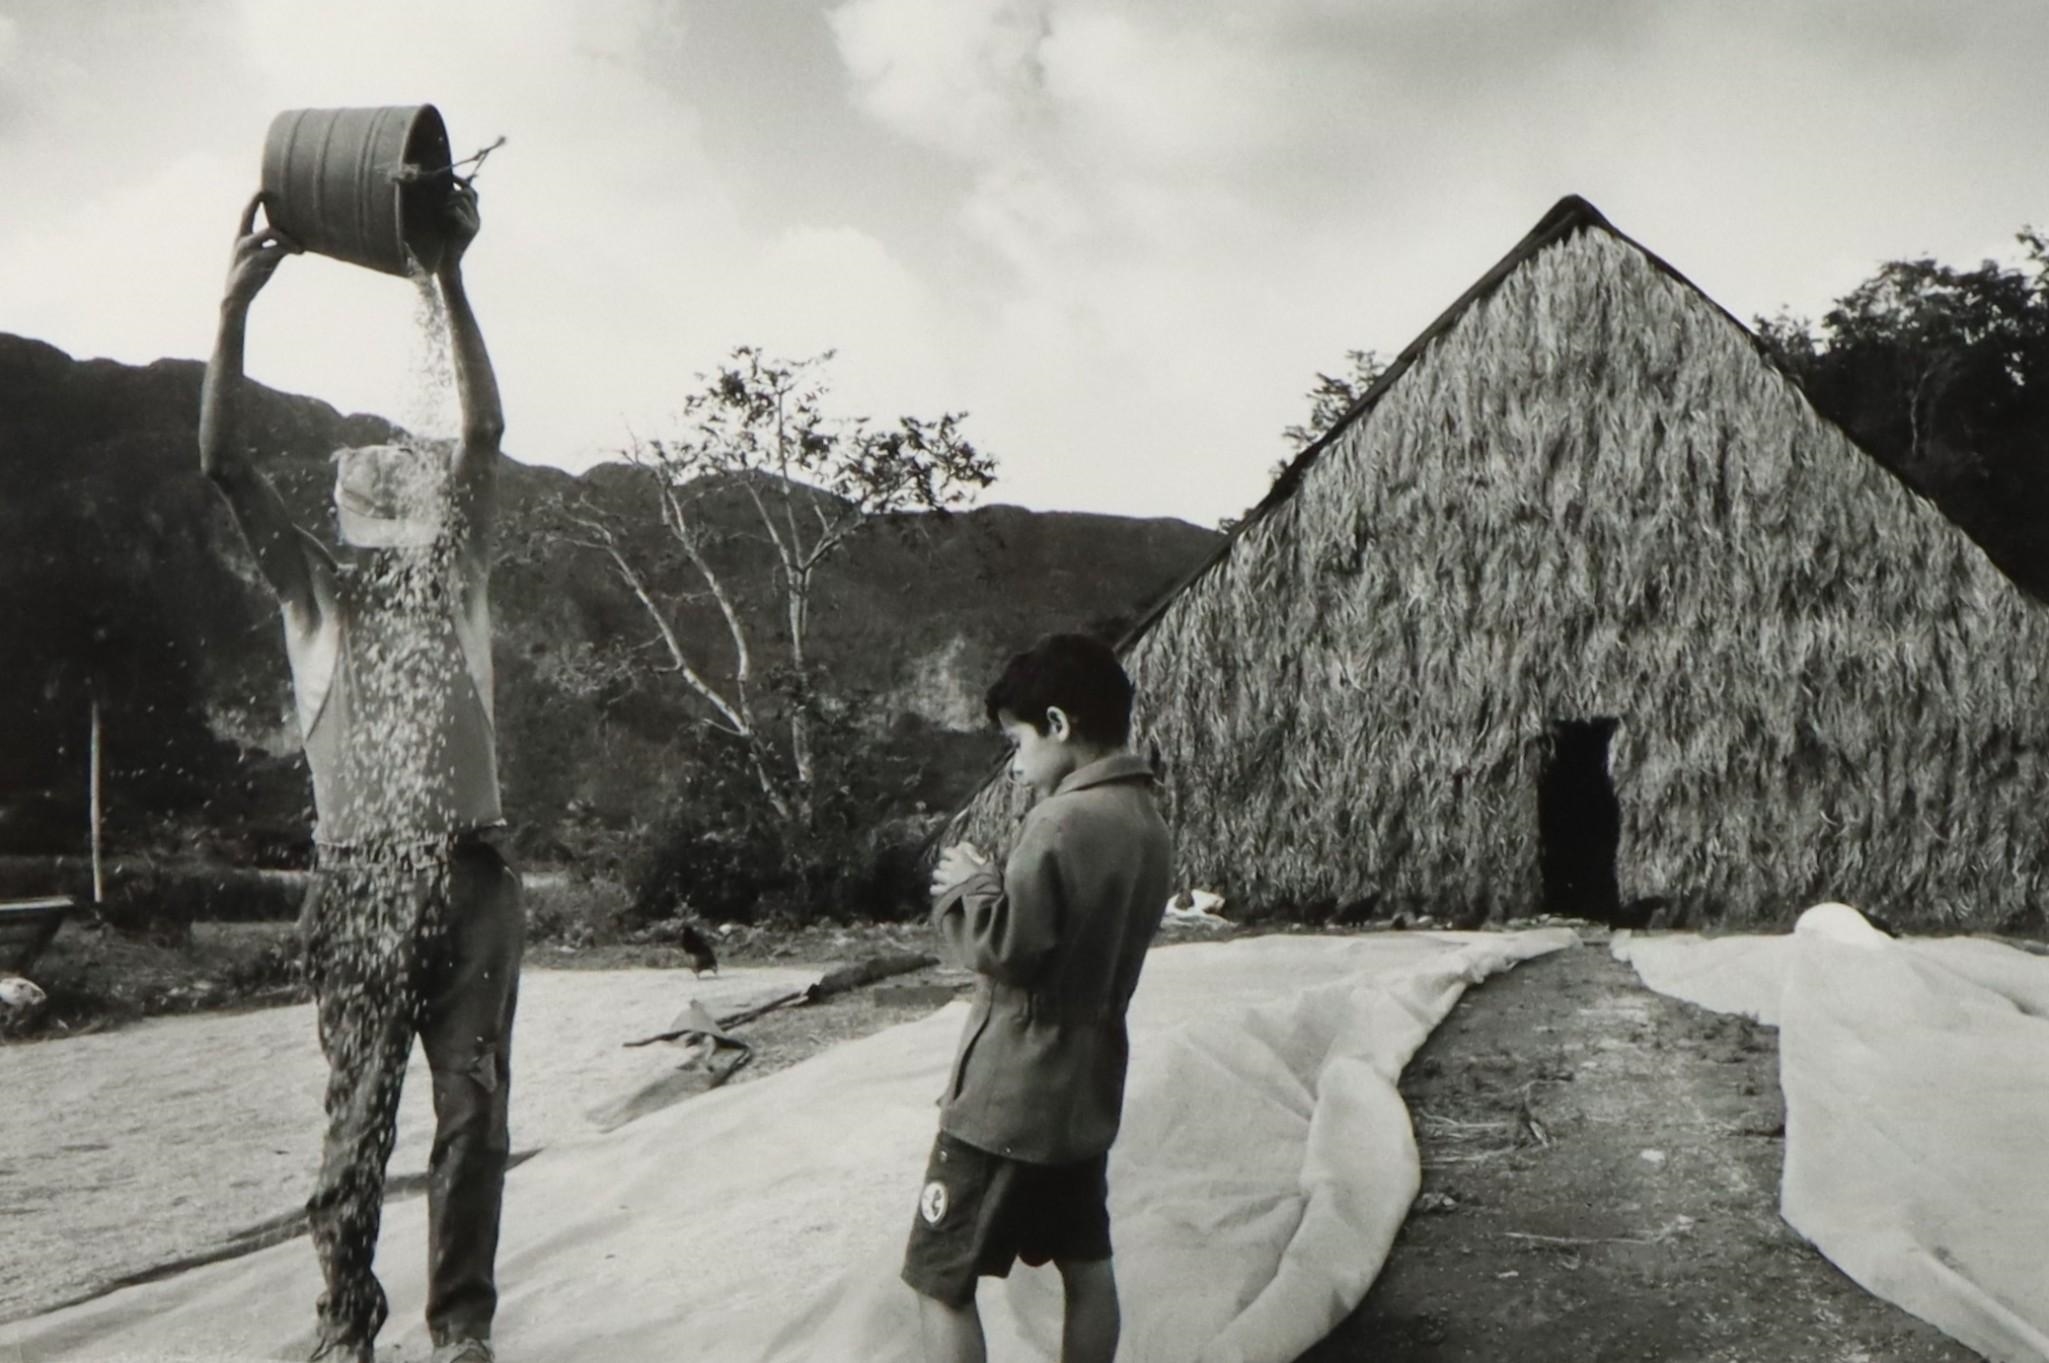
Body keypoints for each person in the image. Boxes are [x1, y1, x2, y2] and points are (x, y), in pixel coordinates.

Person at [198, 183, 520, 1363]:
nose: (393, 549)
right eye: (374, 529)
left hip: (472, 879)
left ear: (430, 527)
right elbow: (225, 462)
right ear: (344, 531)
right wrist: (233, 310)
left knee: (474, 1115)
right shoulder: (313, 604)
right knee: (356, 1121)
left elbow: (480, 436)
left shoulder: (460, 593)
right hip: (356, 886)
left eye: (409, 525)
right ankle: (343, 1321)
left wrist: (445, 274)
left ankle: (461, 1330)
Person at [907, 633, 1173, 1363]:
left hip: (1008, 1099)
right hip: (1083, 1092)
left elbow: (1009, 950)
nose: (1015, 761)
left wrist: (970, 883)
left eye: (1017, 740)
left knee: (940, 1279)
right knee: (1084, 1265)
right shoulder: (1145, 821)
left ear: (1058, 725)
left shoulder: (1057, 820)